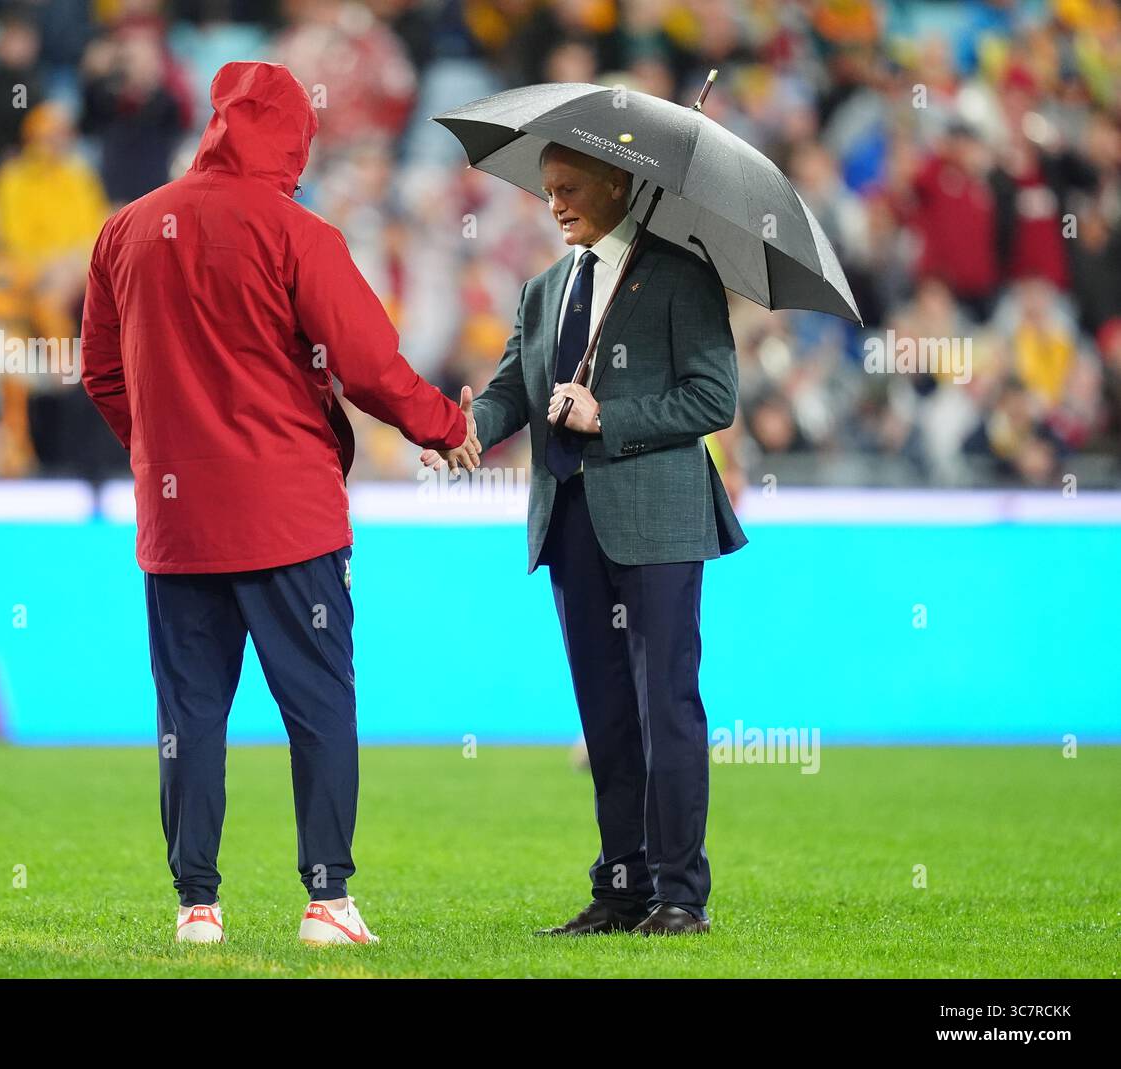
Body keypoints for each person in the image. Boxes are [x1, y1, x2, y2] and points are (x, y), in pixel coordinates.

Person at [81, 61, 478, 947]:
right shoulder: (299, 233)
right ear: (297, 139)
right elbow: (370, 363)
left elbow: (103, 374)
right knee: (320, 706)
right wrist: (444, 425)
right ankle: (327, 900)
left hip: (177, 521)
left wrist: (166, 452)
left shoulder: (125, 230)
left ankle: (196, 906)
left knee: (189, 717)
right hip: (288, 515)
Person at [423, 142, 745, 936]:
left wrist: (611, 417)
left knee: (664, 705)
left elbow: (716, 397)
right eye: (548, 189)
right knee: (604, 711)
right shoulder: (544, 288)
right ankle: (624, 886)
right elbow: (509, 392)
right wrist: (463, 431)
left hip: (660, 523)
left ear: (618, 181)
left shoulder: (680, 273)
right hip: (568, 520)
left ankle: (680, 894)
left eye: (569, 188)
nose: (555, 201)